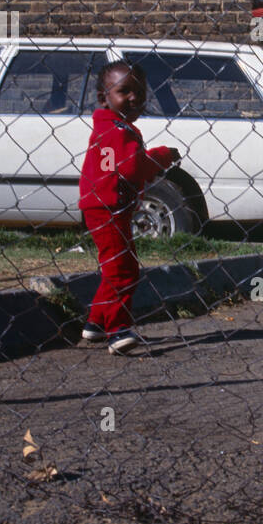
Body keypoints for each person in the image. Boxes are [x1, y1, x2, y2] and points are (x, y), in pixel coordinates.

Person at [78, 61, 179, 354]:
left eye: (139, 92)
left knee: (116, 265)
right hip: (107, 208)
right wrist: (161, 156)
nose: (134, 97)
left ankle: (96, 322)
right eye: (124, 91)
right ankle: (117, 330)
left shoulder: (113, 126)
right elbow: (132, 167)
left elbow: (122, 164)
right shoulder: (116, 129)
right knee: (123, 270)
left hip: (108, 207)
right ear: (104, 97)